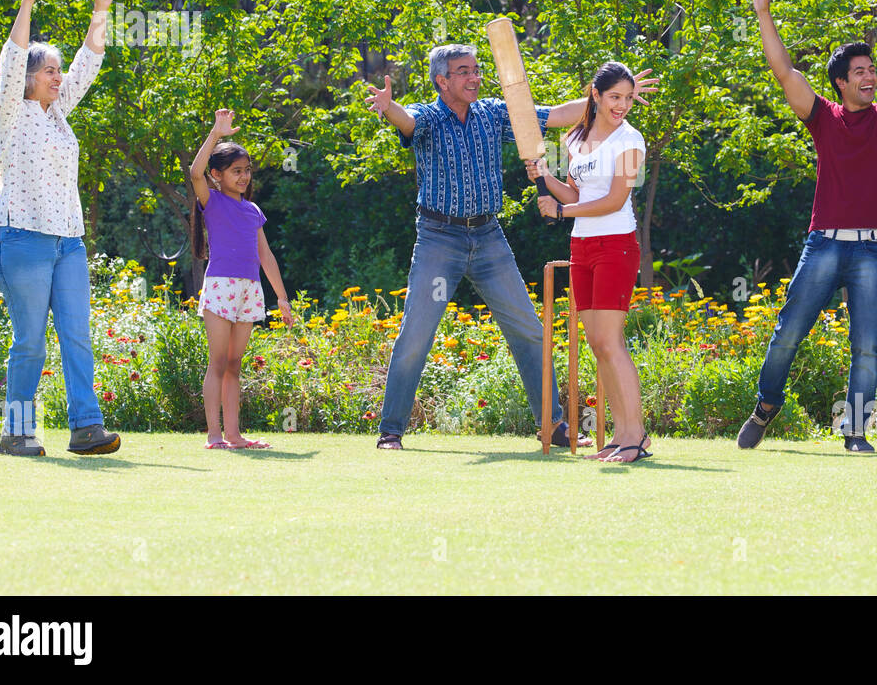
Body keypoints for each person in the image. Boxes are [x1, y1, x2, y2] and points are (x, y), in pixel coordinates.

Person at [364, 44, 656, 450]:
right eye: (463, 72)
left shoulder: (493, 112)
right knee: (416, 332)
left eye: (477, 69)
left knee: (530, 331)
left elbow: (554, 115)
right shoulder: (429, 116)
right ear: (441, 81)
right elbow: (407, 121)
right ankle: (391, 430)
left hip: (488, 237)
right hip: (439, 236)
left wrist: (606, 95)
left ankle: (554, 425)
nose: (474, 77)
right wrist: (388, 107)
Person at [737, 0, 877, 453]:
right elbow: (784, 71)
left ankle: (855, 431)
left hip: (874, 250)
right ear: (841, 83)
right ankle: (767, 404)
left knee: (866, 349)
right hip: (825, 244)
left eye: (873, 70)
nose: (871, 77)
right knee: (788, 334)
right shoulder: (824, 120)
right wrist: (763, 13)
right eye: (860, 73)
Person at [0, 0, 121, 457]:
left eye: (58, 71)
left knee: (77, 336)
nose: (59, 78)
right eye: (49, 70)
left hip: (68, 241)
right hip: (22, 240)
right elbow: (11, 57)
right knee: (29, 343)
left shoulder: (59, 114)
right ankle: (16, 432)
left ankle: (86, 428)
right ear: (26, 79)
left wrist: (101, 11)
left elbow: (90, 61)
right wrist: (28, 1)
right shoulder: (10, 113)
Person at [526, 62, 650, 462]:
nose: (623, 105)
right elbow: (574, 193)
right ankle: (621, 434)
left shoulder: (632, 141)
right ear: (594, 95)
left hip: (617, 245)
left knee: (611, 342)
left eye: (628, 98)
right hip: (582, 247)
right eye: (615, 97)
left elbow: (614, 201)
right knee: (598, 345)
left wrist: (563, 213)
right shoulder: (575, 137)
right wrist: (545, 176)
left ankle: (636, 436)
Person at [190, 109, 295, 449]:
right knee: (218, 362)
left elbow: (266, 256)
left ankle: (234, 436)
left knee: (234, 365)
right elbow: (194, 172)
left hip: (250, 291)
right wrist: (216, 134)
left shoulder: (253, 211)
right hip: (221, 287)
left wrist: (281, 297)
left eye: (247, 170)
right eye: (236, 171)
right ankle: (214, 436)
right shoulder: (213, 201)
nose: (244, 176)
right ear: (217, 175)